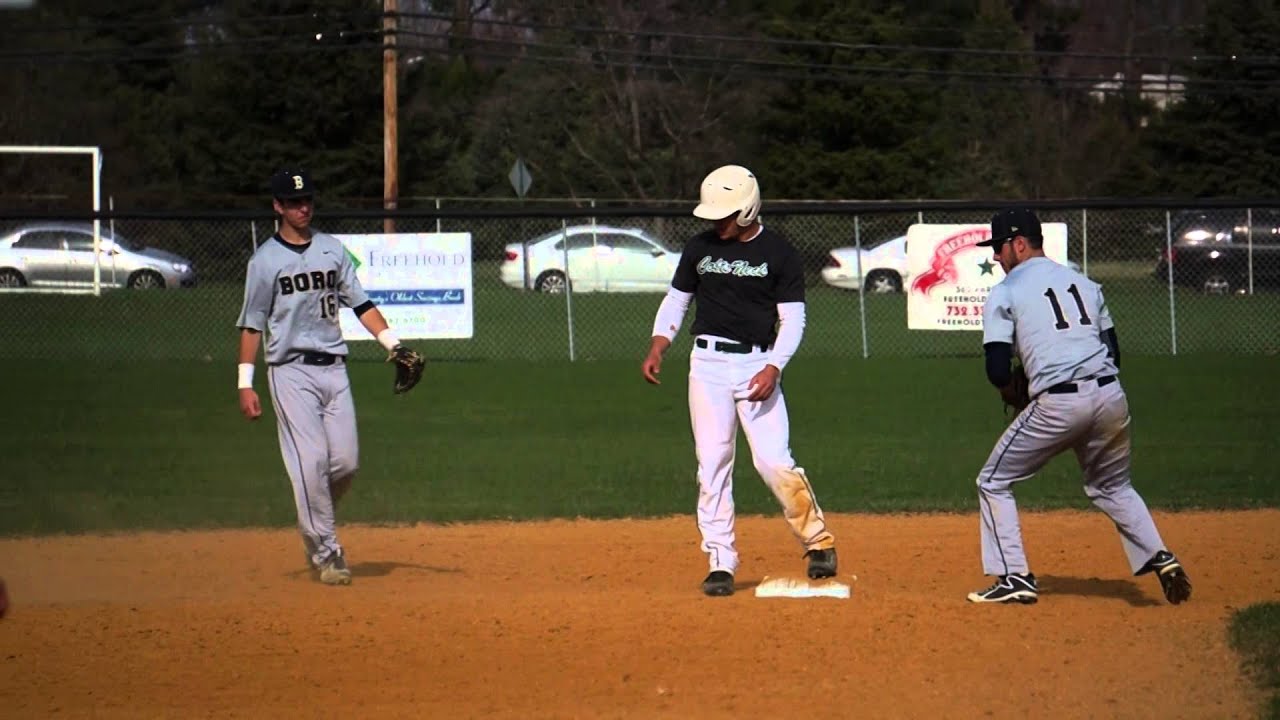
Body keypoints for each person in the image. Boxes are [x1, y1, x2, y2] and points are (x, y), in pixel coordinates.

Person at [967, 207, 1192, 605]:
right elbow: (1115, 354)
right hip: (1111, 397)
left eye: (999, 248)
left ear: (1019, 244)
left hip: (1059, 403)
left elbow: (997, 369)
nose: (995, 257)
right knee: (1112, 485)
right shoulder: (1085, 284)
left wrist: (1012, 390)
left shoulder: (1005, 292)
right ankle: (1161, 556)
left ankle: (1013, 577)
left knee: (993, 481)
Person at [641, 164, 838, 597]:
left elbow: (793, 320)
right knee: (712, 465)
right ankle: (721, 562)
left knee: (773, 462)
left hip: (756, 365)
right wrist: (659, 344)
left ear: (748, 209)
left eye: (724, 214)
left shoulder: (779, 253)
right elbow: (676, 302)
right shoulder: (699, 248)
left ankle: (817, 541)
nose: (716, 221)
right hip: (706, 366)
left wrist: (774, 367)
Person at [236, 169, 418, 586]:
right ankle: (326, 551)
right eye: (294, 201)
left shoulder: (332, 250)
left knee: (345, 464)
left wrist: (393, 344)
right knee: (312, 462)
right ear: (277, 206)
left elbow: (362, 303)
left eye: (308, 200)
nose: (303, 207)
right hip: (289, 371)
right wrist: (245, 382)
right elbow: (251, 325)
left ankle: (312, 516)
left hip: (334, 369)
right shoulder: (264, 261)